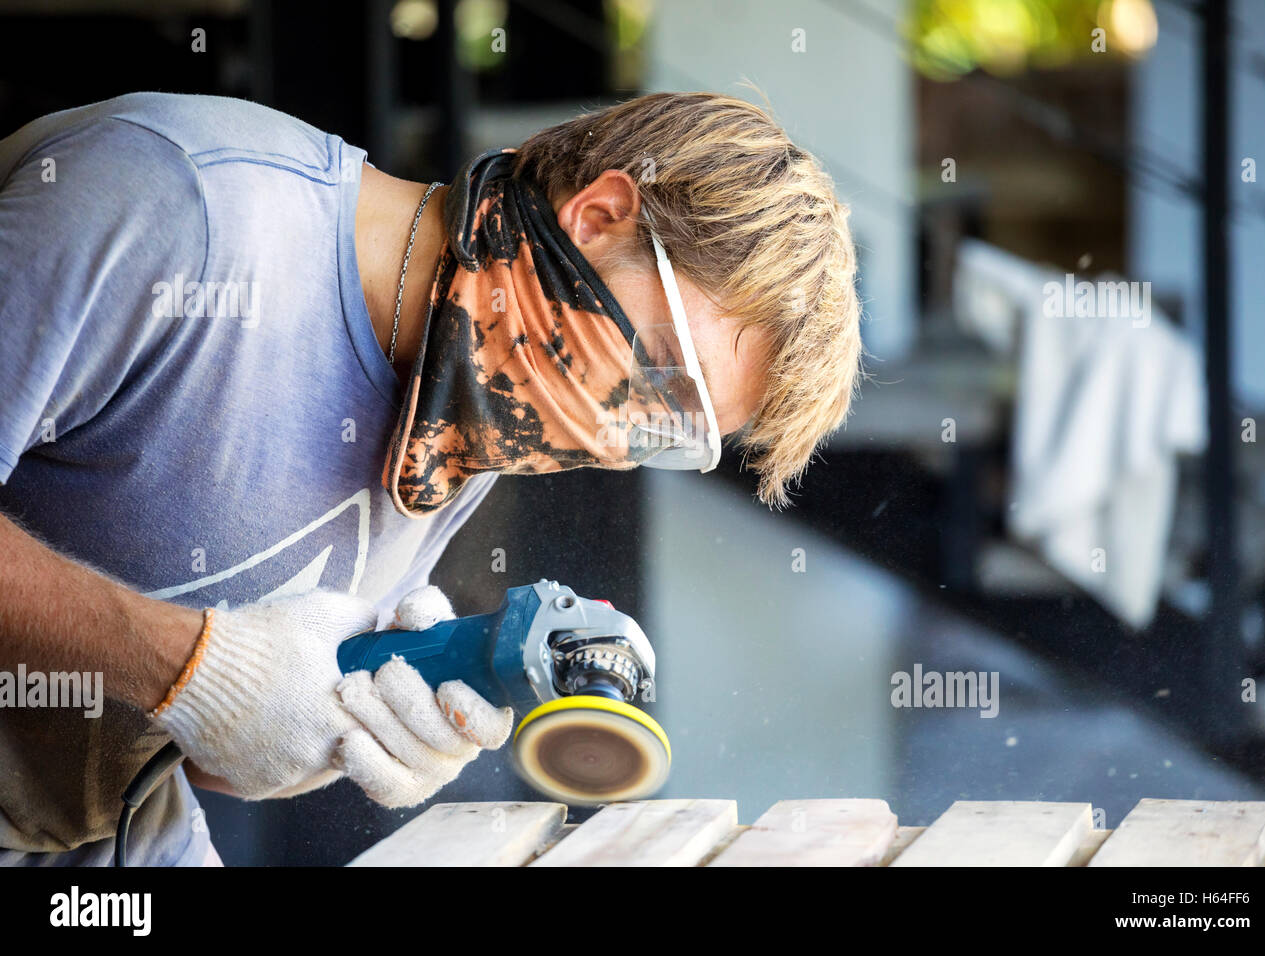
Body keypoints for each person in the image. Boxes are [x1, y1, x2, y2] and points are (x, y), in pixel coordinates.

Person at [0, 89, 862, 865]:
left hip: (102, 843)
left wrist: (332, 725)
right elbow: (190, 670)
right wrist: (192, 667)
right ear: (599, 217)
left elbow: (200, 737)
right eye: (663, 376)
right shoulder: (175, 202)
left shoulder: (471, 407)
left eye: (675, 432)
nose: (615, 447)